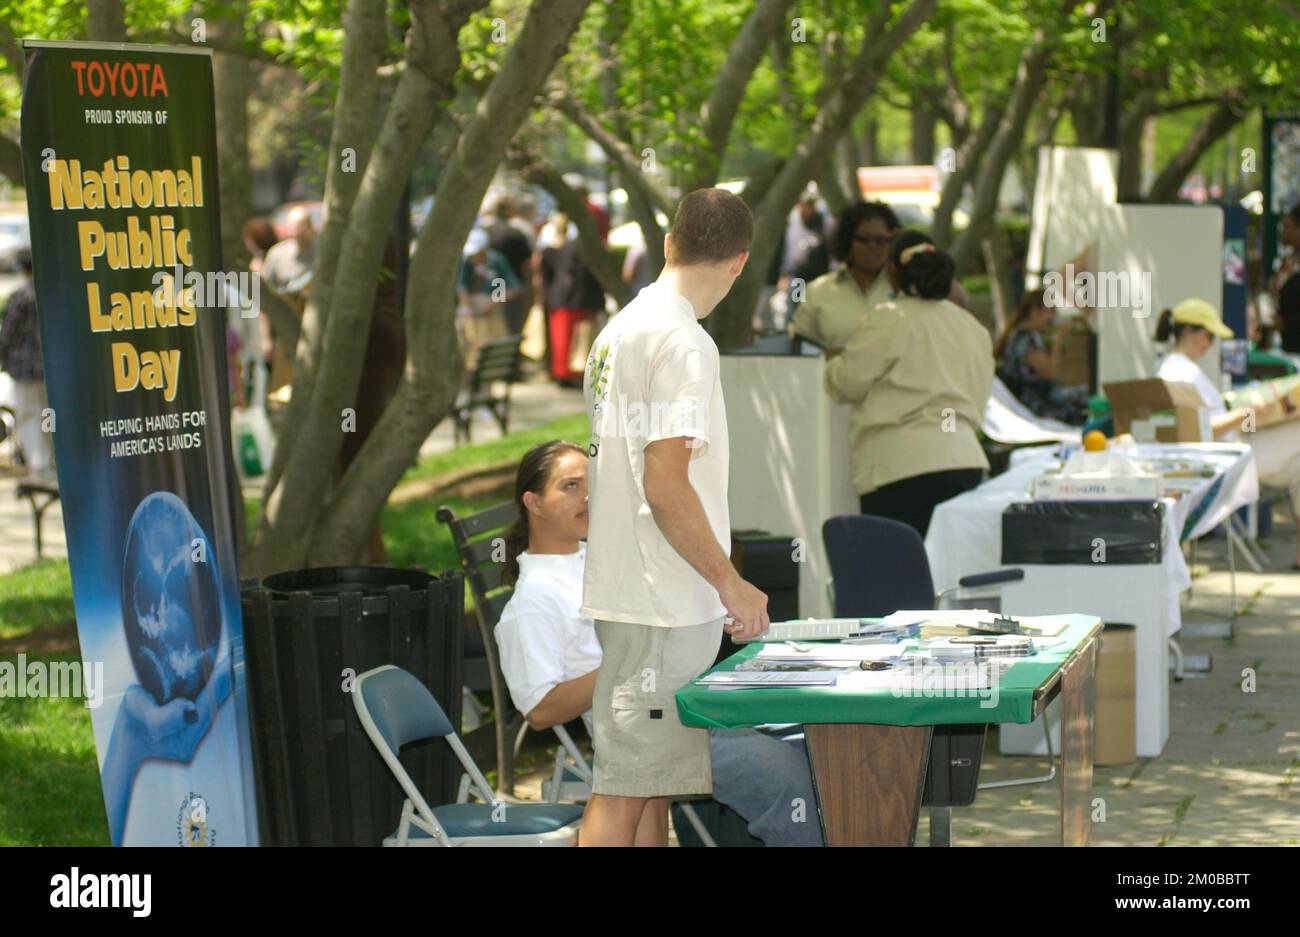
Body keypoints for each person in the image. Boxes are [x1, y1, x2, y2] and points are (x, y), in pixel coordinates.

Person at [494, 441, 821, 846]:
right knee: (794, 776)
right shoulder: (533, 600)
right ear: (534, 502)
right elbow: (541, 710)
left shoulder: (597, 560)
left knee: (819, 744)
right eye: (570, 486)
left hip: (691, 703)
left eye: (591, 482)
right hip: (654, 727)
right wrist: (630, 659)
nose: (588, 497)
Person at [579, 187, 770, 847]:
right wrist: (730, 581)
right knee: (623, 788)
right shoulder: (684, 343)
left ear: (668, 243)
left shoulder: (621, 327)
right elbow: (665, 484)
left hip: (641, 591)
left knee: (647, 783)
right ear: (740, 261)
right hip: (660, 598)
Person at [826, 232, 993, 538]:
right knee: (948, 575)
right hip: (965, 461)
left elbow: (846, 383)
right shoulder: (973, 328)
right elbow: (980, 399)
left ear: (892, 273)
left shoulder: (890, 317)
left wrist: (833, 360)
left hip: (901, 468)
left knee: (898, 576)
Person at [789, 201, 899, 352]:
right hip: (833, 374)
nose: (872, 246)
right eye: (864, 239)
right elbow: (799, 347)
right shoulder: (817, 292)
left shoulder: (905, 290)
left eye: (880, 240)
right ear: (848, 240)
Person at [1153, 298, 1249, 439]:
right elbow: (1198, 431)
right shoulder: (1181, 373)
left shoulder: (1181, 368)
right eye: (1209, 336)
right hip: (1218, 456)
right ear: (1188, 330)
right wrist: (1247, 414)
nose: (1211, 344)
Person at [994, 288, 1090, 425]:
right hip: (1038, 404)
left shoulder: (1020, 335)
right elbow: (1050, 372)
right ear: (1035, 311)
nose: (1052, 318)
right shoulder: (1026, 339)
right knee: (1089, 396)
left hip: (1035, 399)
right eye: (1050, 311)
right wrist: (1058, 340)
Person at [0, 248, 54, 475]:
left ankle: (39, 466)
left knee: (30, 416)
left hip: (24, 369)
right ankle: (51, 462)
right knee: (48, 417)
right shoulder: (52, 294)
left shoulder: (20, 297)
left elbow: (8, 334)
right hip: (49, 368)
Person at [538, 211, 603, 386]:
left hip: (559, 298)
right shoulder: (577, 249)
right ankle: (567, 373)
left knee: (561, 339)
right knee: (573, 339)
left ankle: (562, 373)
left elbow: (545, 277)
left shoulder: (549, 251)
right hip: (576, 299)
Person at [457, 227, 519, 371]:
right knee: (468, 351)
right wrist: (467, 307)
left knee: (490, 352)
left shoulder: (497, 261)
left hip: (492, 315)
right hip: (470, 314)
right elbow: (462, 286)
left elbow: (513, 288)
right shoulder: (466, 261)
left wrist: (493, 301)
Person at [485, 195, 534, 335]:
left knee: (492, 327)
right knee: (511, 327)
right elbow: (526, 263)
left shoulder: (485, 231)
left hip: (490, 285)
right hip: (511, 288)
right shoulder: (515, 234)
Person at [778, 192, 831, 310]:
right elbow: (788, 250)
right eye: (803, 205)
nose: (806, 209)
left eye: (809, 206)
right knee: (796, 311)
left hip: (818, 278)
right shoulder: (793, 224)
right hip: (798, 279)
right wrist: (784, 274)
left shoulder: (824, 224)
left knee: (817, 310)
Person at [1274, 202, 1300, 353]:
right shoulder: (1289, 262)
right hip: (1289, 346)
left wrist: (1286, 323)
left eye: (1287, 227)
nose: (1283, 232)